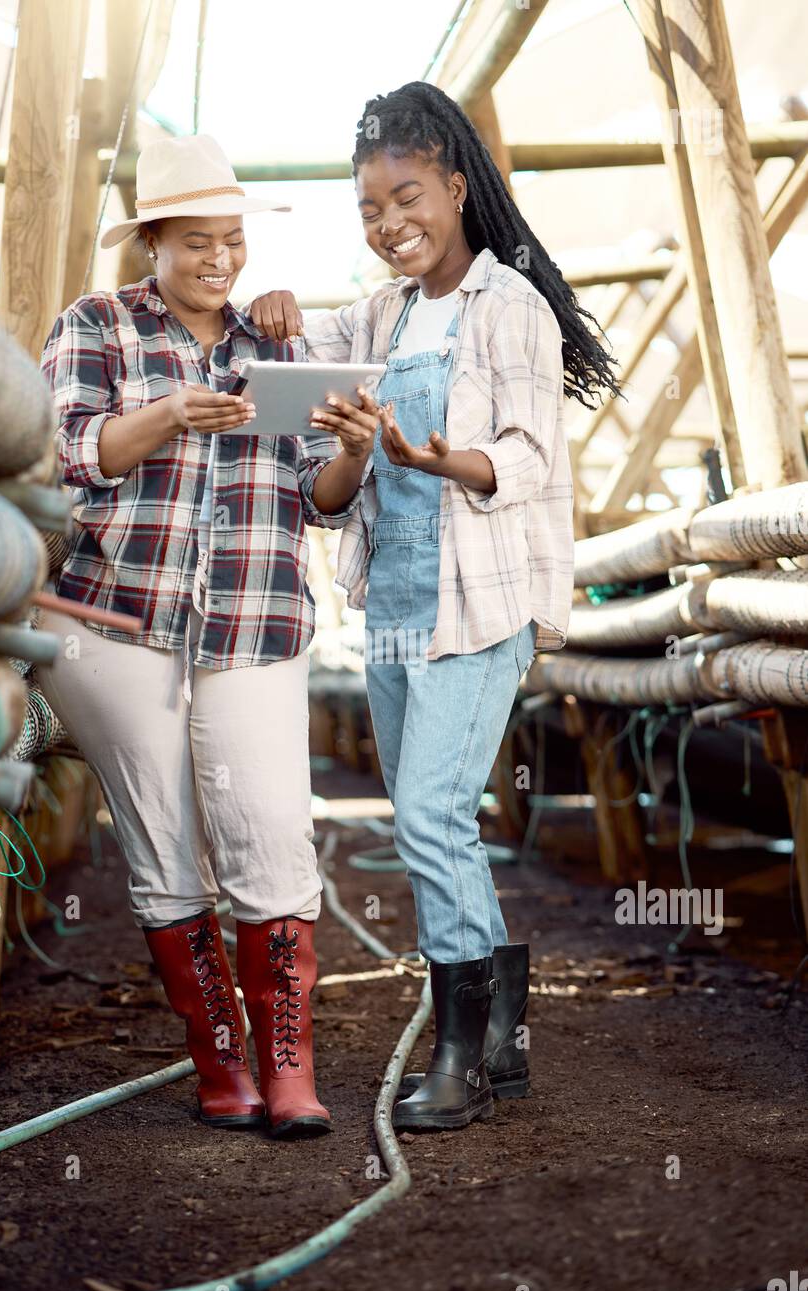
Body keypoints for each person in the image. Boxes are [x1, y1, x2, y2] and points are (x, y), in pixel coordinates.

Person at [249, 82, 622, 1131]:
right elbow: (292, 349)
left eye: (407, 197)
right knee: (442, 822)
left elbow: (531, 457)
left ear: (457, 185)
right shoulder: (383, 314)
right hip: (399, 605)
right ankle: (502, 1038)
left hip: (482, 601)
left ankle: (456, 1055)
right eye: (369, 209)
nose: (389, 224)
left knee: (426, 815)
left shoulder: (513, 308)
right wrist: (274, 306)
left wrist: (434, 456)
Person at [36, 134, 380, 1139]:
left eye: (231, 241)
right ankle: (219, 1060)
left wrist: (354, 454)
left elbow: (317, 497)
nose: (219, 261)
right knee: (161, 839)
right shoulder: (94, 326)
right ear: (151, 241)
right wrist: (163, 419)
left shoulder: (279, 343)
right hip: (118, 617)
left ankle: (287, 1067)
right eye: (195, 243)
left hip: (251, 615)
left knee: (272, 827)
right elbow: (62, 459)